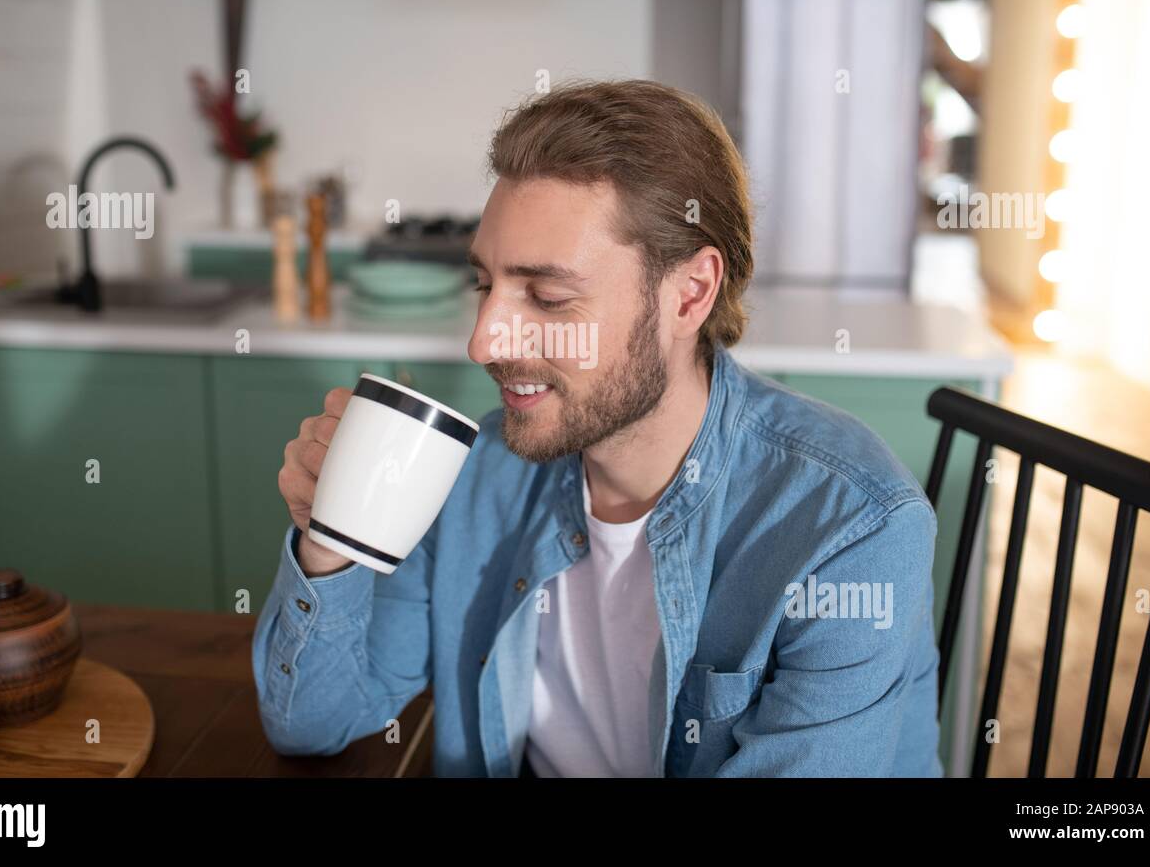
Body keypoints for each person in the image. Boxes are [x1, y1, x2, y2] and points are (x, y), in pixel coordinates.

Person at [253, 78, 944, 777]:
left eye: (548, 297)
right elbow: (314, 724)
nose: (485, 341)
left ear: (690, 294)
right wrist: (329, 543)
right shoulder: (476, 475)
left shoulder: (851, 529)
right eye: (484, 286)